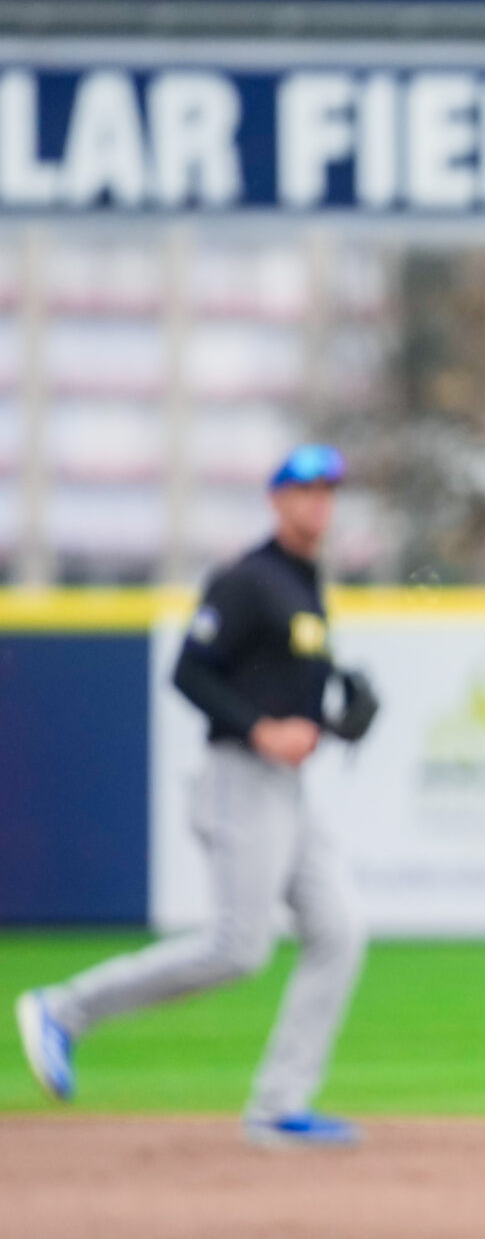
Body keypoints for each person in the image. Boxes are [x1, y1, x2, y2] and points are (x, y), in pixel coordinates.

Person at [16, 444, 377, 1148]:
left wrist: (344, 715)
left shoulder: (305, 584)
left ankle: (279, 1103)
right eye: (304, 490)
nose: (318, 504)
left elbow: (288, 691)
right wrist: (261, 728)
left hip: (287, 788)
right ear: (276, 500)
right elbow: (190, 670)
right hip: (238, 775)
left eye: (328, 491)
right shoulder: (248, 579)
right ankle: (64, 1009)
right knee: (238, 946)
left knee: (339, 928)